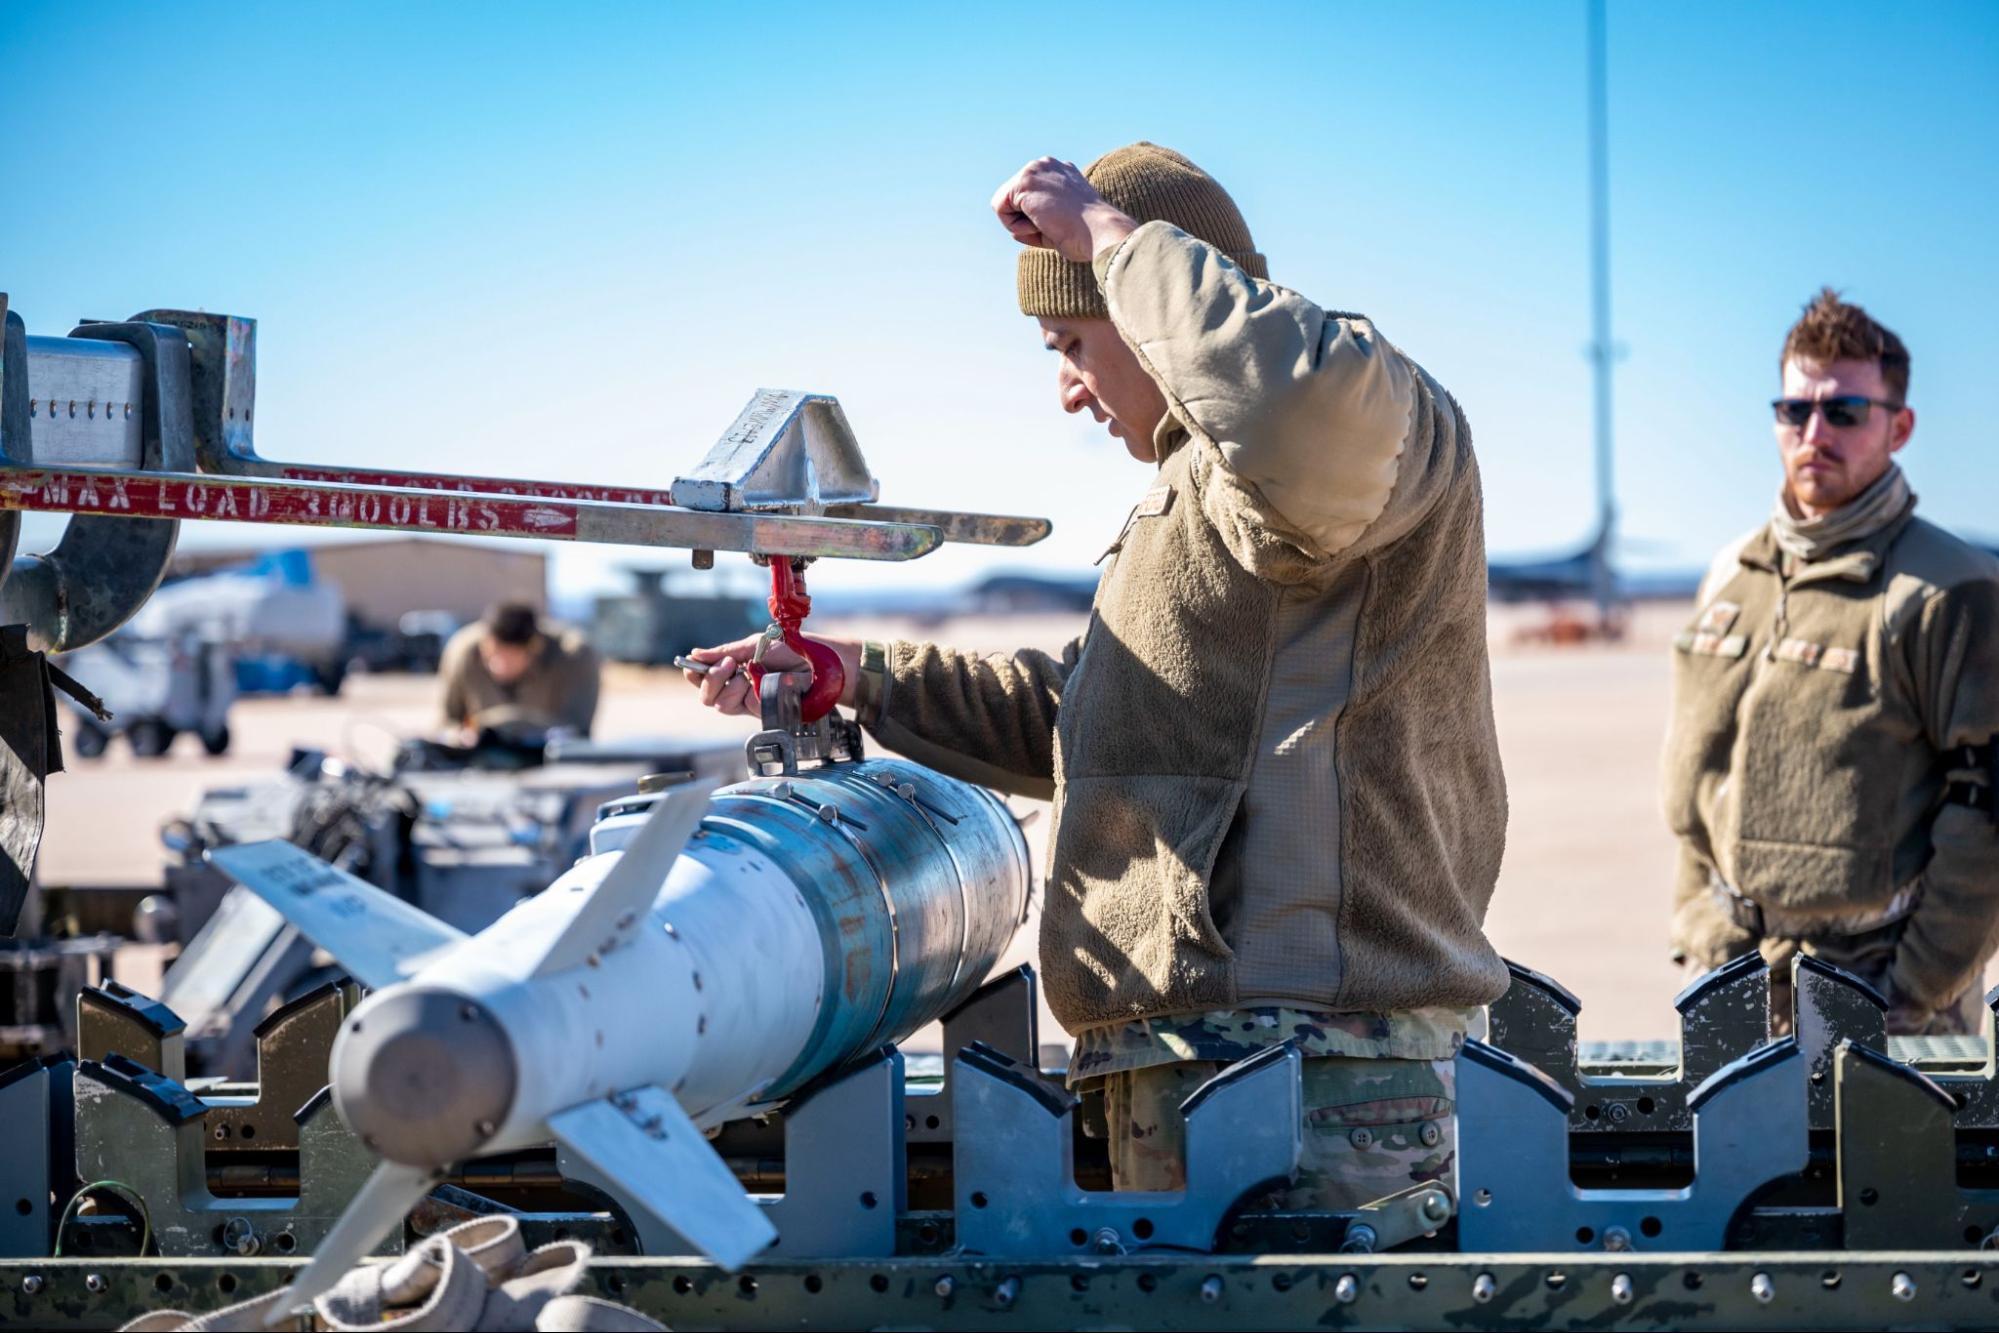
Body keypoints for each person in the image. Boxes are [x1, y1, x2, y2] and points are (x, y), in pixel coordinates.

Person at [686, 144, 1509, 1208]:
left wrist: (1106, 238)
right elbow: (1098, 719)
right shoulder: (1206, 490)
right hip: (1219, 1062)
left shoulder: (1359, 424)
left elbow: (1297, 412)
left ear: (1153, 301)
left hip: (1307, 1070)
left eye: (1072, 342)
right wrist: (854, 676)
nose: (1068, 390)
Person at [1666, 289, 1999, 1035]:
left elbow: (1984, 818)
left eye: (1844, 411)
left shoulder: (1949, 590)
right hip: (1729, 980)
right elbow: (1697, 779)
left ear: (1898, 427)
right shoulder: (1729, 577)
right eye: (1795, 410)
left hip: (1879, 995)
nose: (1813, 433)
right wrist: (1697, 929)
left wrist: (1911, 991)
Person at [439, 601, 602, 739]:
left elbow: (577, 732)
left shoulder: (574, 657)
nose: (498, 665)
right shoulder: (463, 652)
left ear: (534, 648)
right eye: (493, 654)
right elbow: (448, 723)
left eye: (511, 657)